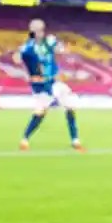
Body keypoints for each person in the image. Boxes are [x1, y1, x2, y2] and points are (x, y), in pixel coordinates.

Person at [17, 18, 82, 151]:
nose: (39, 33)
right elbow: (20, 59)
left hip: (54, 81)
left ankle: (75, 140)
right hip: (41, 85)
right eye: (36, 31)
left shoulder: (49, 41)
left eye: (40, 30)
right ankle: (25, 138)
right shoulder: (28, 48)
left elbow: (61, 49)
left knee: (70, 106)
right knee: (40, 112)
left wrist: (64, 47)